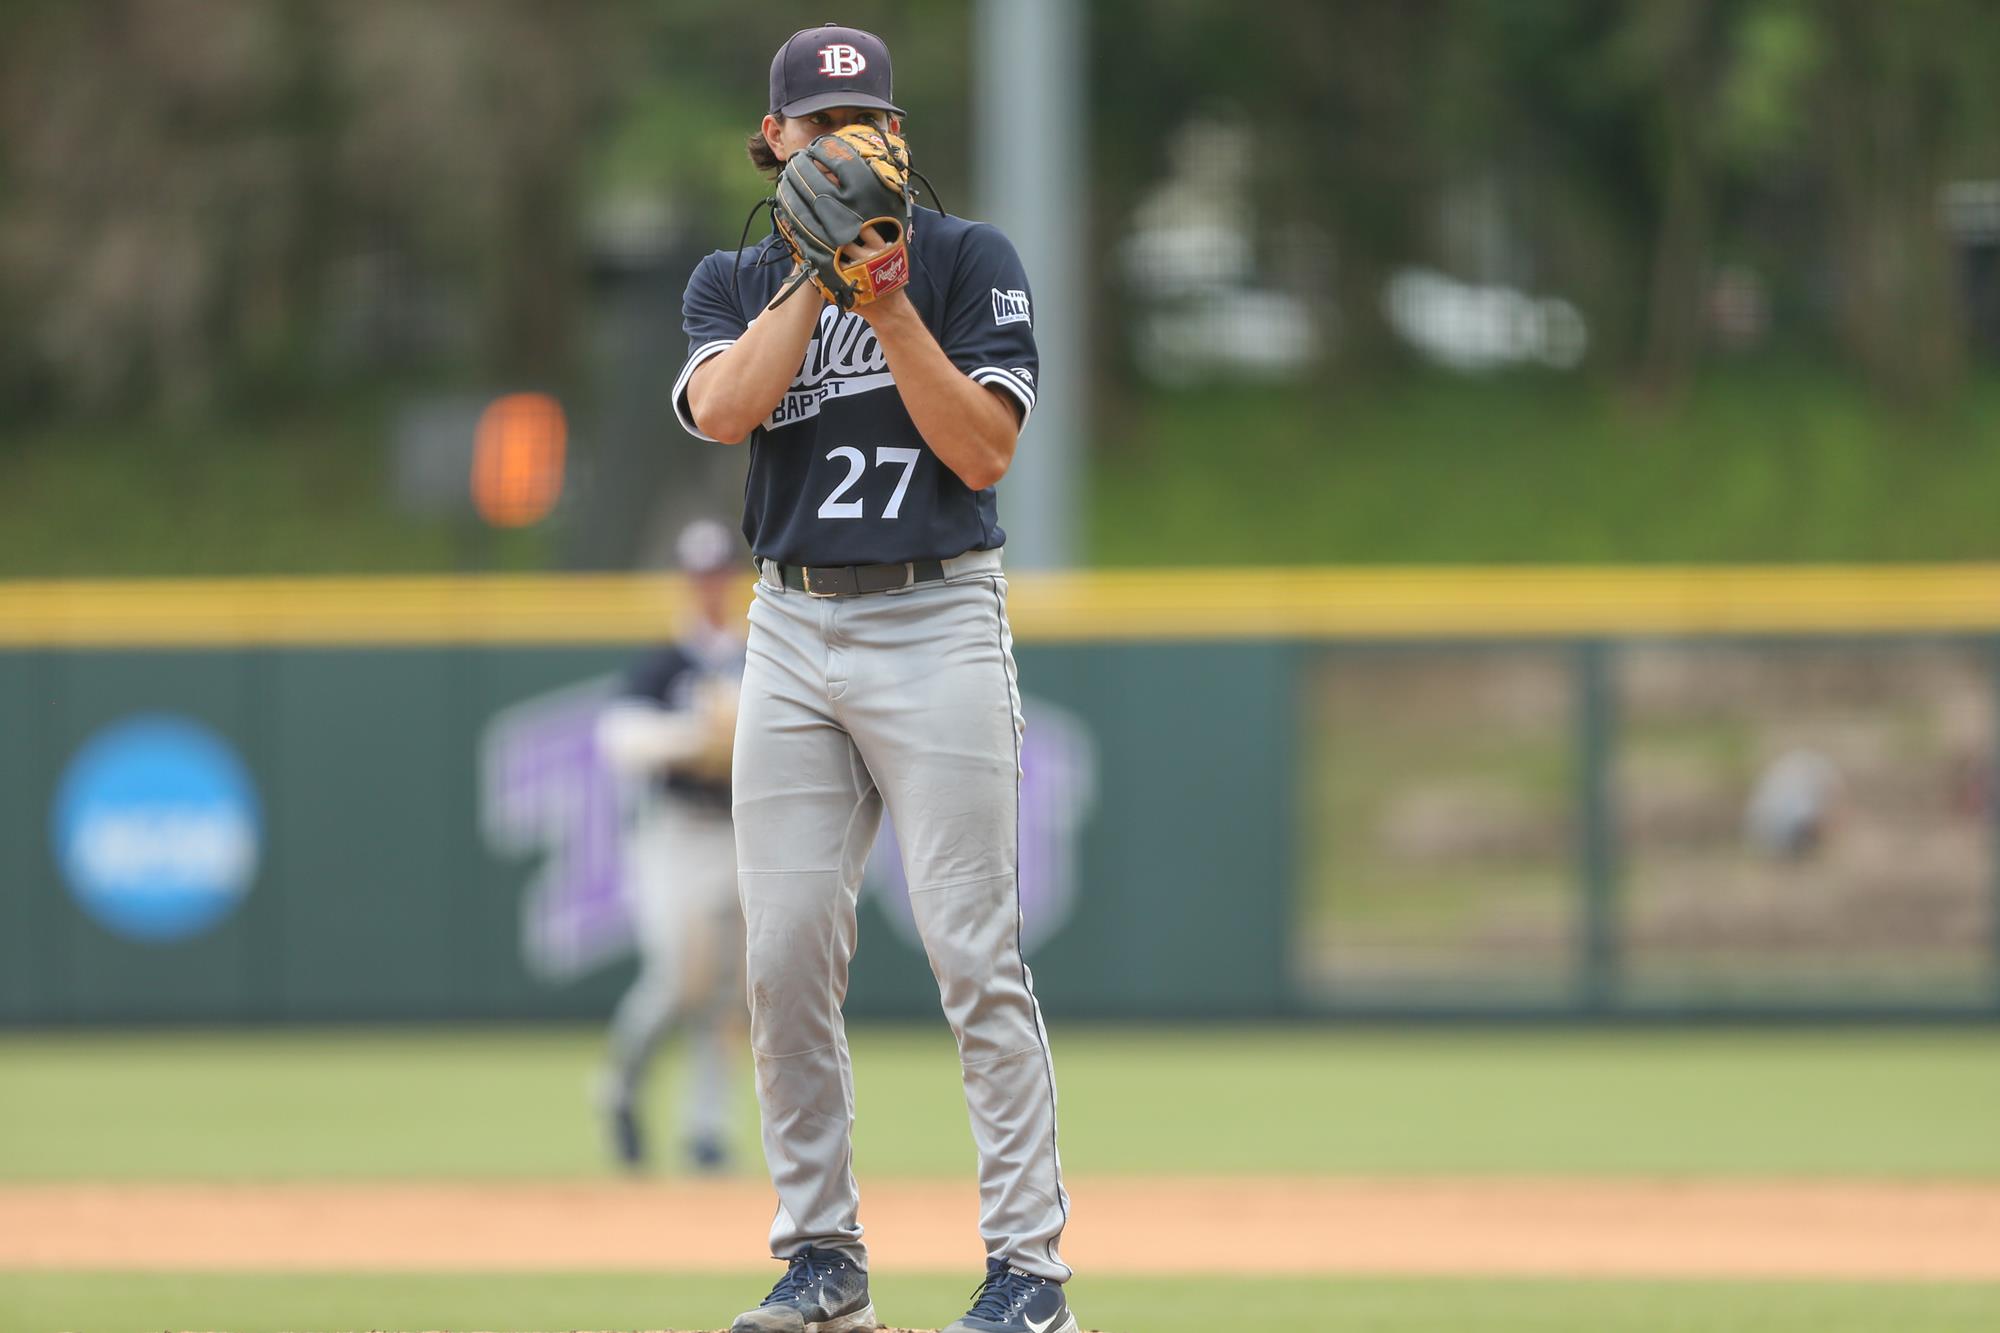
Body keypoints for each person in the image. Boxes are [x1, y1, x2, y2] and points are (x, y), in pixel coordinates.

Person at [672, 22, 1077, 1333]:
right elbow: (728, 411)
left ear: (893, 138)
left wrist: (888, 296)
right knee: (784, 958)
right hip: (790, 627)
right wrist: (812, 275)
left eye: (864, 124)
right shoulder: (730, 280)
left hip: (937, 615)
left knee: (976, 954)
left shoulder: (967, 263)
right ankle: (825, 1265)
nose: (842, 144)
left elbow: (984, 453)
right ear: (773, 141)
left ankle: (1029, 1275)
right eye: (817, 127)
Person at [594, 518, 748, 1176]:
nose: (710, 584)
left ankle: (707, 1129)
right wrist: (699, 734)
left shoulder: (759, 654)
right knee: (678, 979)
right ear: (688, 581)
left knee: (730, 989)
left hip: (742, 829)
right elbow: (619, 739)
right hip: (677, 833)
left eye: (719, 572)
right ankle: (621, 1084)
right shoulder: (666, 661)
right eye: (700, 573)